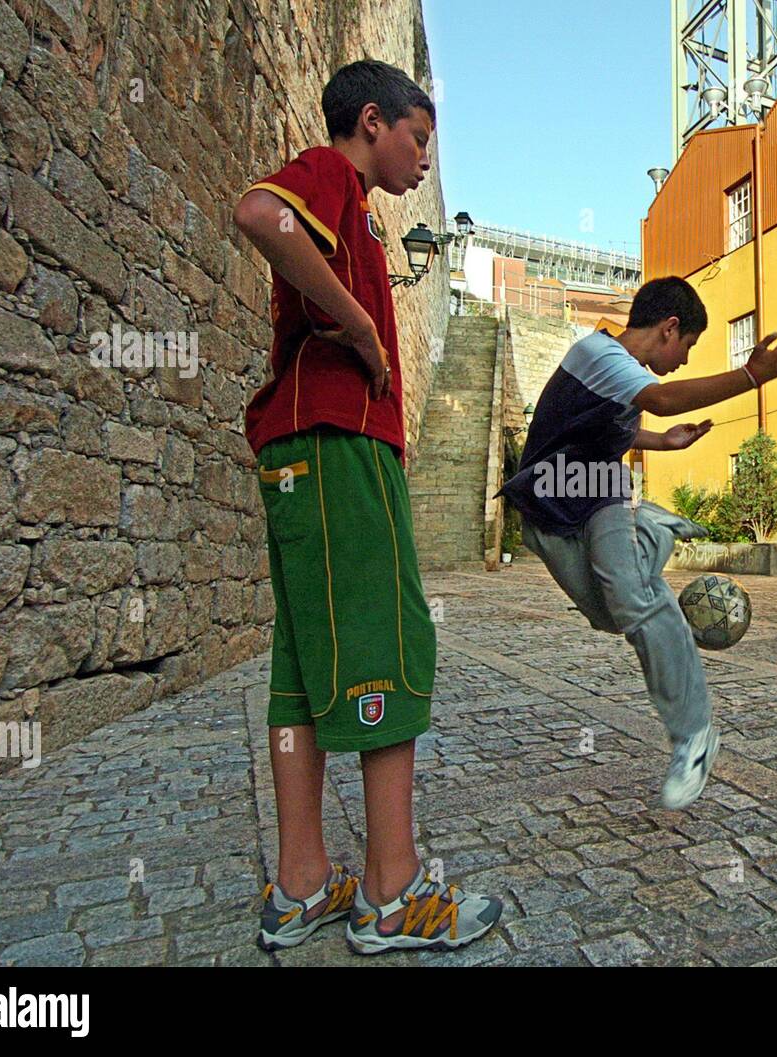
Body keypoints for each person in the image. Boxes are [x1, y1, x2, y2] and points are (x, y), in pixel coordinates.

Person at [234, 59, 501, 954]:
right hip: (337, 442)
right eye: (419, 139)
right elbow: (257, 214)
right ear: (375, 121)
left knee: (307, 661)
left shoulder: (355, 212)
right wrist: (355, 321)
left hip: (298, 449)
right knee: (390, 635)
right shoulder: (330, 176)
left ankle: (301, 883)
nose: (424, 160)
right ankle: (392, 892)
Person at [500, 277, 777, 810]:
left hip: (601, 491)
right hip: (550, 501)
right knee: (609, 615)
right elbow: (661, 401)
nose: (685, 360)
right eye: (687, 345)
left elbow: (627, 423)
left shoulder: (621, 374)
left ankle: (694, 735)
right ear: (669, 328)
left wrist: (661, 442)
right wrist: (752, 374)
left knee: (636, 599)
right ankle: (657, 530)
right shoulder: (600, 353)